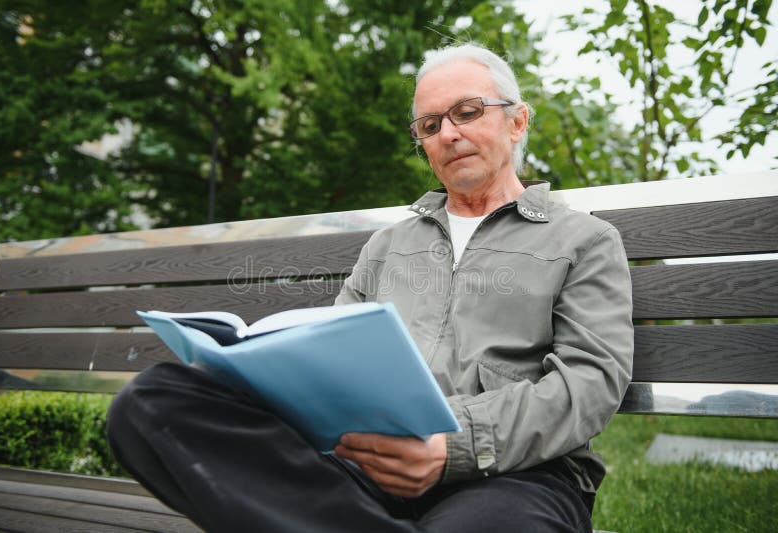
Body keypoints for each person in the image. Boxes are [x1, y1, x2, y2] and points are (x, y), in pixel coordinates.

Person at [107, 43, 633, 532]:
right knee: (152, 401)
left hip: (516, 474)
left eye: (467, 112)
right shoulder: (387, 246)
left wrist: (452, 446)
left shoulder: (583, 240)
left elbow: (589, 382)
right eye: (429, 124)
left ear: (517, 121)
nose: (448, 133)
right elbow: (330, 357)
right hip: (365, 467)